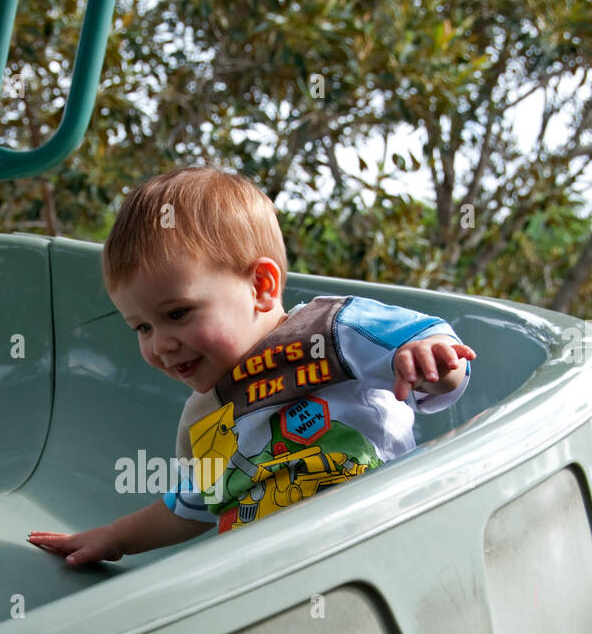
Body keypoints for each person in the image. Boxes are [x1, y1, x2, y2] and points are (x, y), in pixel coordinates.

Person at [28, 167, 475, 565]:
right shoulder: (206, 419)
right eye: (141, 328)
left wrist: (430, 360)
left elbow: (439, 357)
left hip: (377, 536)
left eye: (178, 313)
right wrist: (115, 538)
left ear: (261, 286)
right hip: (268, 578)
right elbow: (195, 505)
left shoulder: (332, 330)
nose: (161, 344)